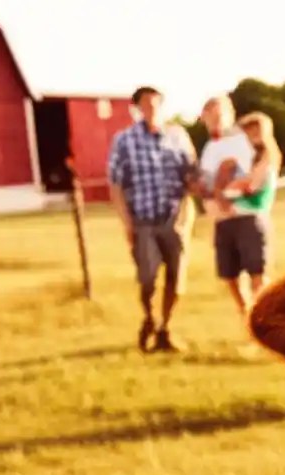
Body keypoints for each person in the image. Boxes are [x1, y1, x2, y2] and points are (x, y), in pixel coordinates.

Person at [107, 86, 196, 353]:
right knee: (147, 279)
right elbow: (115, 185)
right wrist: (127, 222)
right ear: (137, 108)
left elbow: (191, 175)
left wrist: (188, 216)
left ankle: (165, 329)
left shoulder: (178, 136)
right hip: (143, 221)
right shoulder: (124, 140)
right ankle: (149, 318)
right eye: (145, 104)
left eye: (156, 103)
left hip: (173, 219)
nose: (152, 108)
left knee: (176, 279)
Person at [194, 95, 267, 318]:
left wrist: (232, 196)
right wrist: (210, 202)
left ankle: (264, 317)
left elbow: (257, 171)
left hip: (246, 215)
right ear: (204, 119)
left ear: (230, 115)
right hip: (222, 220)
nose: (216, 120)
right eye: (211, 116)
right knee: (229, 273)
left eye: (220, 115)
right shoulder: (208, 148)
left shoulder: (243, 140)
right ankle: (247, 316)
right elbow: (207, 182)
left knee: (256, 271)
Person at [218, 111, 282, 302]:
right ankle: (247, 315)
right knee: (231, 275)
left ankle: (264, 313)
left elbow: (250, 185)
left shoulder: (267, 157)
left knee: (257, 275)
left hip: (251, 219)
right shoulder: (242, 158)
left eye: (256, 130)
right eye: (248, 131)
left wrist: (229, 189)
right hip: (230, 220)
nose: (251, 135)